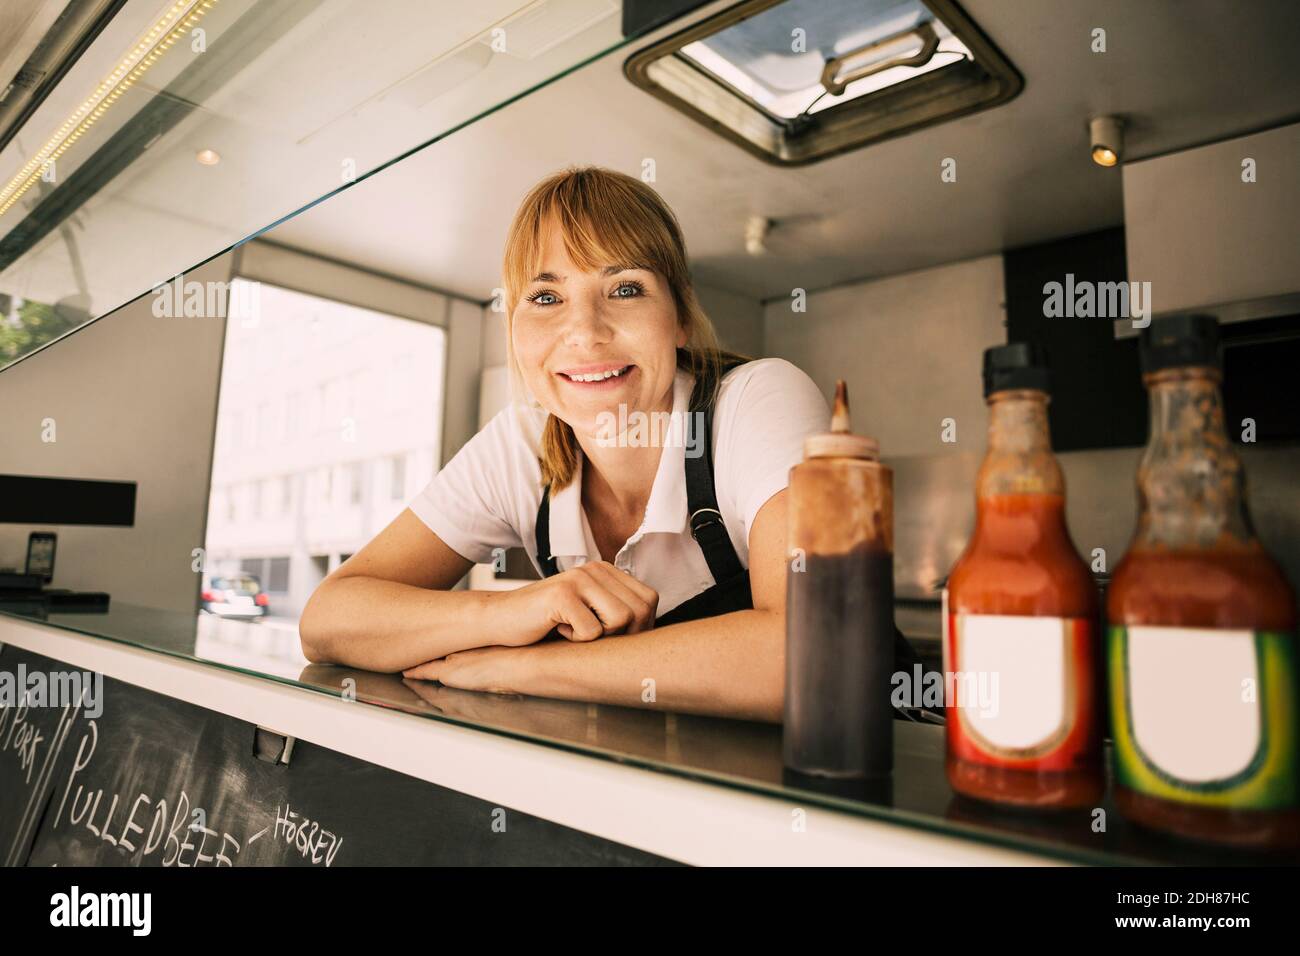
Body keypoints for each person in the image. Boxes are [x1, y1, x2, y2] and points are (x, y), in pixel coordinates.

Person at [299, 166, 830, 722]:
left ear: (678, 318)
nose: (585, 332)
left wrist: (521, 668)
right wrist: (513, 612)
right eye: (546, 296)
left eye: (625, 289)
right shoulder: (521, 441)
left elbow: (814, 655)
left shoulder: (757, 400)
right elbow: (329, 621)